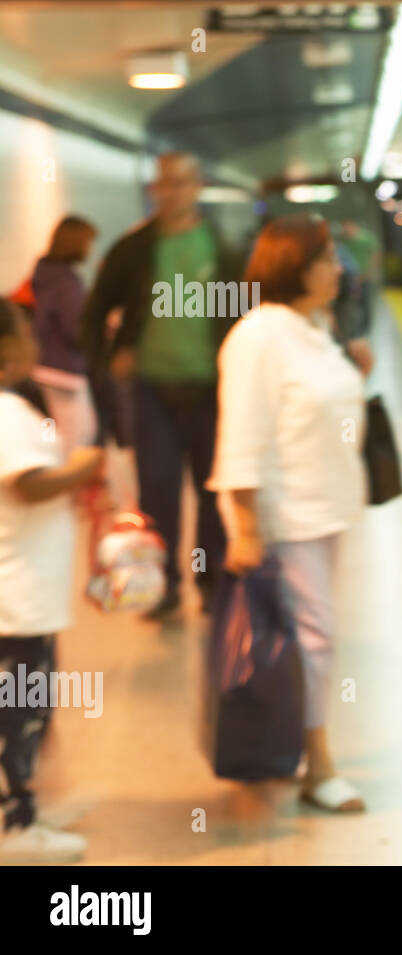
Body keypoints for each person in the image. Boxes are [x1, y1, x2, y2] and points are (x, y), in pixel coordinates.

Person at [207, 214, 369, 813]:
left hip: (324, 505)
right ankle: (316, 763)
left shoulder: (313, 325)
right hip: (283, 513)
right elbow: (241, 434)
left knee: (306, 637)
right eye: (327, 257)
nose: (338, 268)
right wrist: (247, 527)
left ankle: (285, 747)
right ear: (293, 266)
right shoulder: (259, 336)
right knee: (313, 639)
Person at [81, 152, 246, 618]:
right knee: (158, 491)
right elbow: (94, 312)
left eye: (181, 182)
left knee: (214, 489)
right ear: (154, 190)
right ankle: (162, 585)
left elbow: (246, 313)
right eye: (163, 184)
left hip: (213, 390)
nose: (171, 191)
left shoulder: (223, 247)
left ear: (198, 187)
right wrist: (109, 360)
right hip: (151, 390)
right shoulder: (133, 250)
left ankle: (211, 582)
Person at [0, 299, 104, 863]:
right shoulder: (8, 412)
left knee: (26, 705)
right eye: (25, 333)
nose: (35, 343)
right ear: (6, 351)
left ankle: (27, 809)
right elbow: (31, 484)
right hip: (18, 599)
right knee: (19, 710)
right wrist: (85, 466)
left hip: (19, 595)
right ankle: (17, 829)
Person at [28, 216, 99, 450]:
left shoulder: (43, 273)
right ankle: (65, 485)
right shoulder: (67, 281)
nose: (89, 249)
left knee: (58, 432)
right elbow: (74, 329)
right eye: (88, 242)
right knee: (78, 436)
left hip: (42, 364)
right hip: (64, 369)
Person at [337, 219, 379, 338]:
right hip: (350, 279)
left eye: (347, 227)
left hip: (364, 277)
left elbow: (375, 255)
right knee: (351, 304)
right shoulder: (343, 241)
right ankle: (354, 329)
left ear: (353, 225)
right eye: (344, 228)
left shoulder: (366, 239)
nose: (346, 230)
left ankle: (365, 329)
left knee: (365, 304)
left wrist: (369, 272)